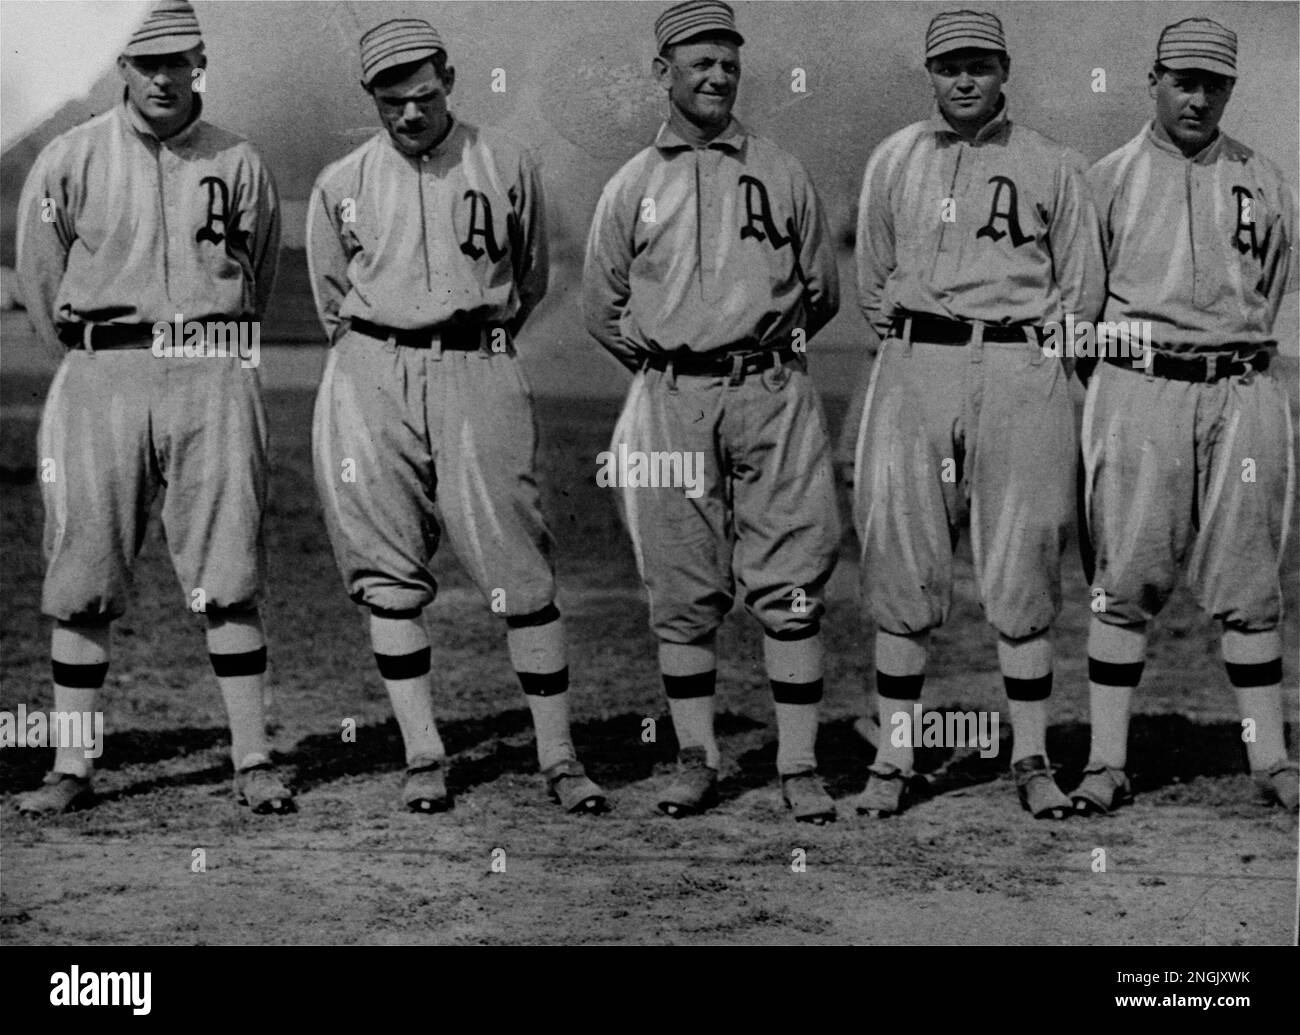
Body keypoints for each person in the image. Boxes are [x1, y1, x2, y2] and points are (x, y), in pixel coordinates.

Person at [306, 19, 606, 814]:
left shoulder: (505, 161)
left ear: (449, 77)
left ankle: (559, 755)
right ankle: (424, 754)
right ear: (371, 97)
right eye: (391, 101)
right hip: (370, 369)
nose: (409, 114)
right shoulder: (343, 182)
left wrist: (471, 337)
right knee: (387, 566)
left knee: (516, 558)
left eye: (424, 95)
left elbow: (532, 276)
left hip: (478, 361)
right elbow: (332, 297)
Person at [15, 0, 291, 815]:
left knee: (229, 571)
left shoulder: (238, 158)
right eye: (146, 61)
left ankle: (252, 758)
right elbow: (39, 280)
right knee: (83, 571)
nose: (164, 75)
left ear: (198, 62)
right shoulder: (69, 157)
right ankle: (70, 765)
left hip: (212, 369)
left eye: (179, 59)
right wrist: (95, 353)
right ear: (120, 68)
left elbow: (260, 272)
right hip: (103, 369)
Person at [583, 0, 842, 823]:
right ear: (664, 73)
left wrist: (751, 354)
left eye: (729, 61)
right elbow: (602, 306)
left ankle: (799, 763)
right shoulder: (631, 184)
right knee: (682, 583)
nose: (718, 75)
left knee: (793, 575)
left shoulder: (782, 168)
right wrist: (672, 364)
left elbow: (821, 293)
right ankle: (696, 756)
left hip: (772, 389)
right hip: (670, 398)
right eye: (700, 62)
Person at [850, 9, 1105, 817]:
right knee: (902, 562)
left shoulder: (1053, 162)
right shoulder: (893, 158)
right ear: (931, 73)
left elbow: (1082, 288)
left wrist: (1038, 359)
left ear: (1005, 71)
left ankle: (1032, 756)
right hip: (916, 362)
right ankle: (893, 758)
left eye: (981, 64)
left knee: (1025, 562)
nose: (965, 78)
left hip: (1020, 364)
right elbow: (872, 279)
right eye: (950, 65)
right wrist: (915, 346)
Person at [1074, 17, 1298, 814]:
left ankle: (1269, 757)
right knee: (1125, 576)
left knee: (1249, 576)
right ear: (1154, 80)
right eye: (1183, 80)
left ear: (1230, 89)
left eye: (1214, 84)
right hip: (1139, 386)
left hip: (1240, 386)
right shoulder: (1107, 179)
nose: (1197, 97)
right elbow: (1082, 309)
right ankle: (1106, 761)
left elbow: (1269, 291)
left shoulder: (1265, 179)